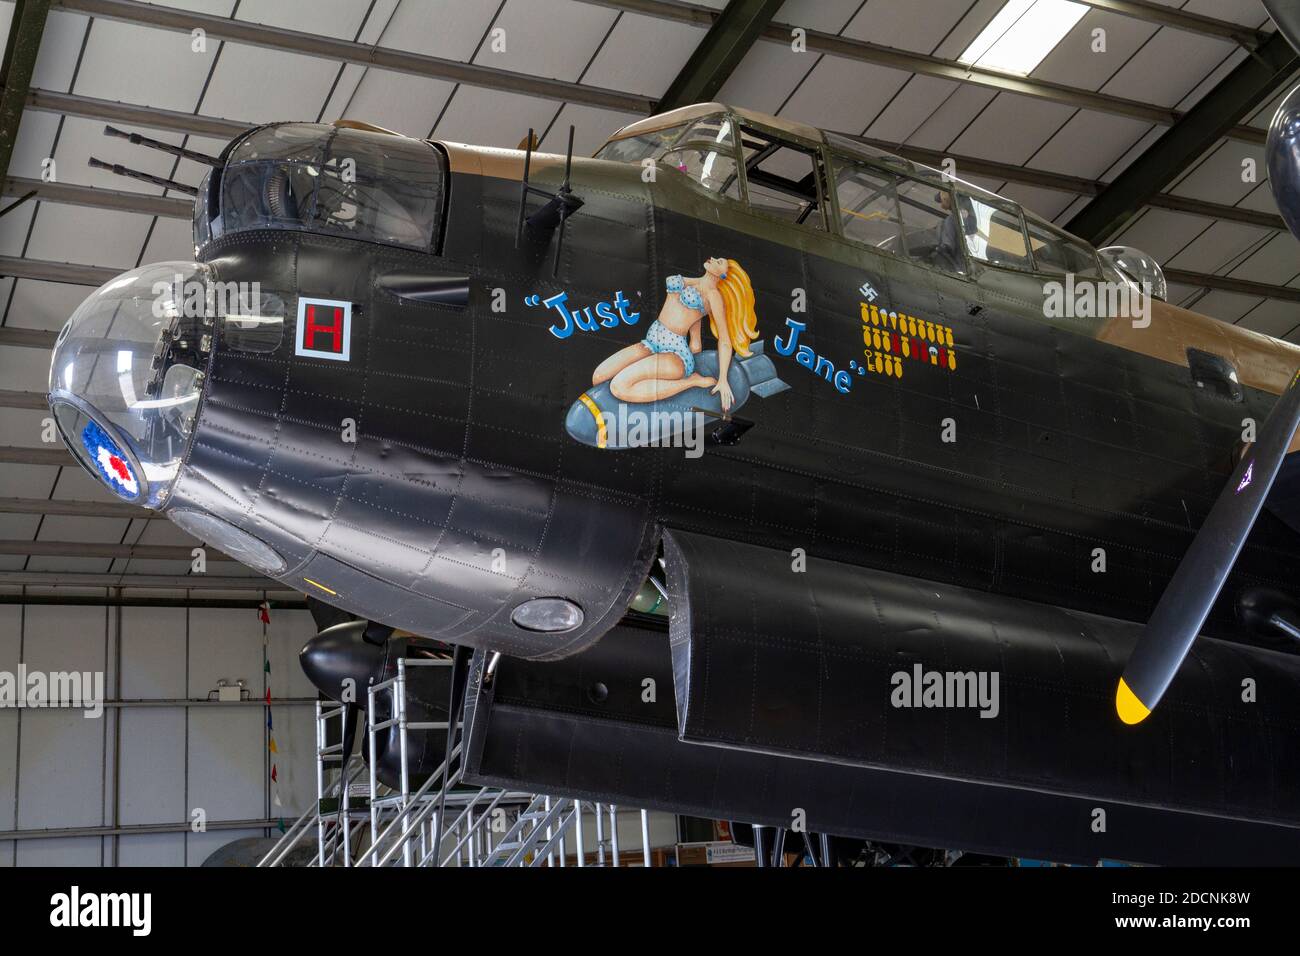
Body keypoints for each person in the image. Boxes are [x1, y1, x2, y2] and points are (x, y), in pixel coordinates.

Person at [591, 257, 759, 413]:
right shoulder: (694, 282)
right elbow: (695, 336)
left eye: (719, 261)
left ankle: (691, 381)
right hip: (651, 343)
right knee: (599, 376)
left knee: (619, 387)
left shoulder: (713, 296)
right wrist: (696, 344)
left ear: (723, 274)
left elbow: (724, 339)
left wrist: (723, 379)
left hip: (674, 353)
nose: (713, 259)